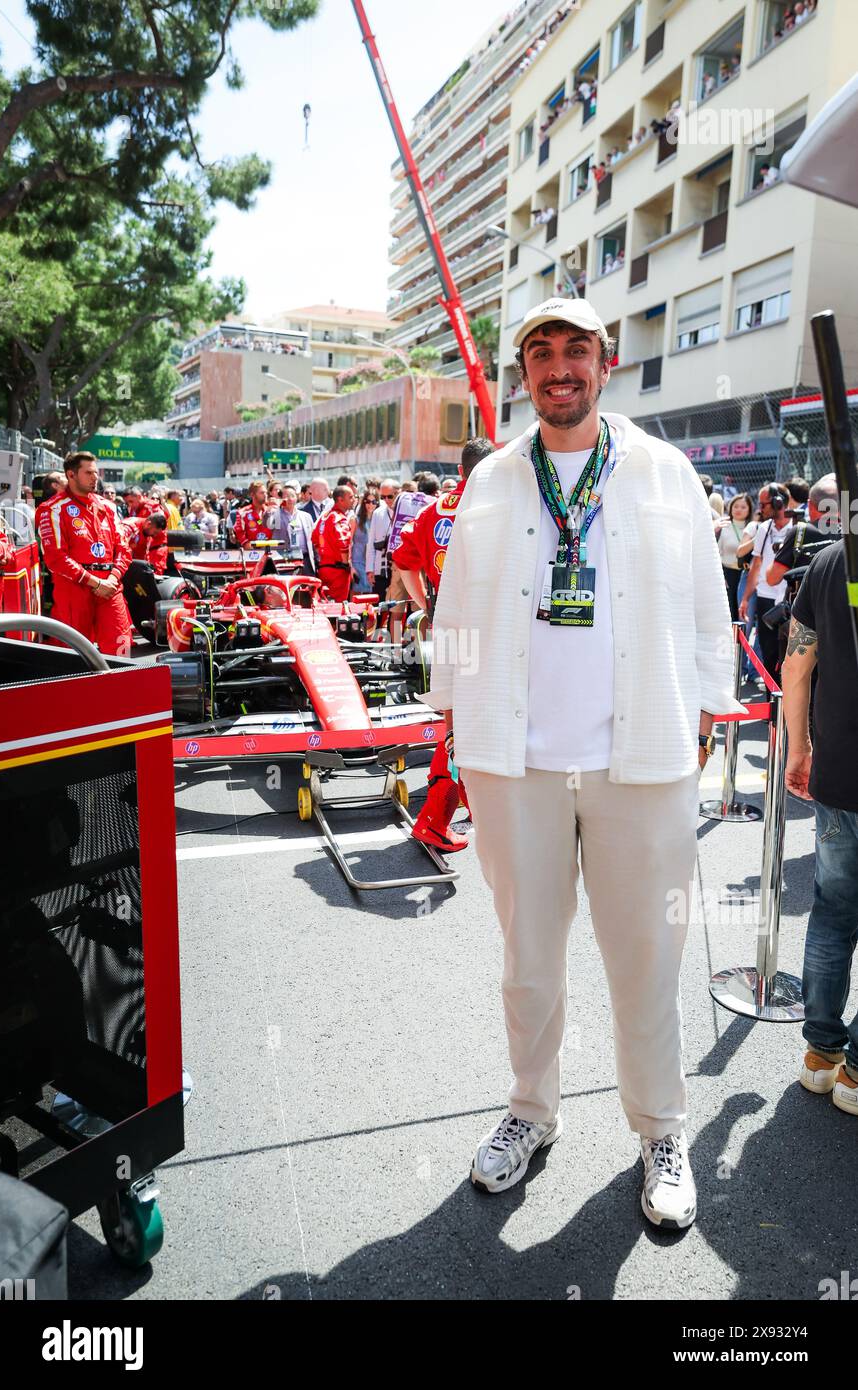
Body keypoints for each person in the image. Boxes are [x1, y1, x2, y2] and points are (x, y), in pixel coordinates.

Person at [422, 297, 740, 1226]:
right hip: (513, 763)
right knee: (528, 959)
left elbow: (704, 603)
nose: (558, 368)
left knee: (646, 960)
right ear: (524, 372)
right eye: (540, 353)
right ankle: (532, 1111)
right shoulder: (493, 482)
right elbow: (457, 610)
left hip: (640, 759)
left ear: (607, 362)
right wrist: (451, 725)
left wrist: (709, 715)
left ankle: (661, 1131)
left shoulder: (664, 472)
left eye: (576, 351)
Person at [782, 539, 858, 1115]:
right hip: (836, 776)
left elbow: (796, 663)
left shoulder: (831, 559)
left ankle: (821, 1053)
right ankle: (853, 1073)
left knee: (832, 910)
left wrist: (799, 747)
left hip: (838, 776)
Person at [392, 439, 493, 853]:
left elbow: (402, 563)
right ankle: (452, 814)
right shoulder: (493, 508)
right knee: (471, 723)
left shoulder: (434, 509)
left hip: (449, 626)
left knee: (459, 721)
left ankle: (442, 815)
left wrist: (425, 605)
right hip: (483, 630)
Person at [36, 451, 133, 657]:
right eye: (88, 472)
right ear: (71, 475)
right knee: (74, 655)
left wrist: (112, 579)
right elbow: (55, 558)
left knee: (120, 647)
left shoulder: (108, 507)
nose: (95, 477)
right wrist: (96, 583)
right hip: (74, 588)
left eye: (96, 472)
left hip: (111, 586)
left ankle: (117, 688)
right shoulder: (52, 509)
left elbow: (124, 549)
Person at [739, 482, 793, 681]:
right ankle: (772, 702)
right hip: (765, 598)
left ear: (779, 502)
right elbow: (756, 564)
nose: (760, 509)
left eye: (763, 504)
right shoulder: (764, 528)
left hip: (790, 598)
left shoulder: (798, 527)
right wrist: (745, 598)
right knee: (768, 652)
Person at [715, 492, 753, 622]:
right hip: (727, 574)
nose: (738, 510)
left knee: (743, 613)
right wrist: (721, 575)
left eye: (743, 507)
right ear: (730, 507)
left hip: (746, 574)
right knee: (729, 611)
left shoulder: (753, 527)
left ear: (749, 509)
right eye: (736, 506)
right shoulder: (724, 525)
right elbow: (717, 552)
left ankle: (741, 640)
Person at [313, 485, 356, 600]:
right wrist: (346, 564)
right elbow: (343, 543)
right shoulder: (339, 518)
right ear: (340, 500)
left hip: (323, 568)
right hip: (338, 571)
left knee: (326, 605)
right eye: (351, 497)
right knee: (338, 608)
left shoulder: (324, 517)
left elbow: (315, 540)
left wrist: (325, 554)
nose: (354, 500)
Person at [366, 479, 400, 603]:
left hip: (400, 566)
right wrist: (370, 569)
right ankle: (378, 624)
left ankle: (396, 624)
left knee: (397, 605)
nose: (386, 500)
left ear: (398, 493)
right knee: (378, 604)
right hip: (380, 567)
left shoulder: (404, 511)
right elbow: (371, 543)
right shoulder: (378, 513)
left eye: (389, 496)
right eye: (383, 497)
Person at [272, 484, 316, 574]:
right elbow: (263, 523)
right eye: (287, 496)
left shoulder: (306, 516)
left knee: (308, 586)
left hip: (306, 559)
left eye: (292, 496)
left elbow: (313, 539)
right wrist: (274, 508)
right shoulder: (276, 516)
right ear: (281, 499)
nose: (290, 499)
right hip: (285, 560)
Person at [125, 511, 168, 576]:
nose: (155, 535)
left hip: (132, 566)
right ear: (148, 524)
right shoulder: (130, 526)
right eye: (155, 532)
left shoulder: (148, 533)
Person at [352, 490, 378, 593]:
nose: (370, 505)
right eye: (367, 501)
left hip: (372, 564)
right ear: (363, 502)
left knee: (371, 598)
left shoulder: (378, 520)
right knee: (356, 596)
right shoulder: (356, 520)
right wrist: (351, 567)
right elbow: (349, 543)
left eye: (373, 502)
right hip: (357, 562)